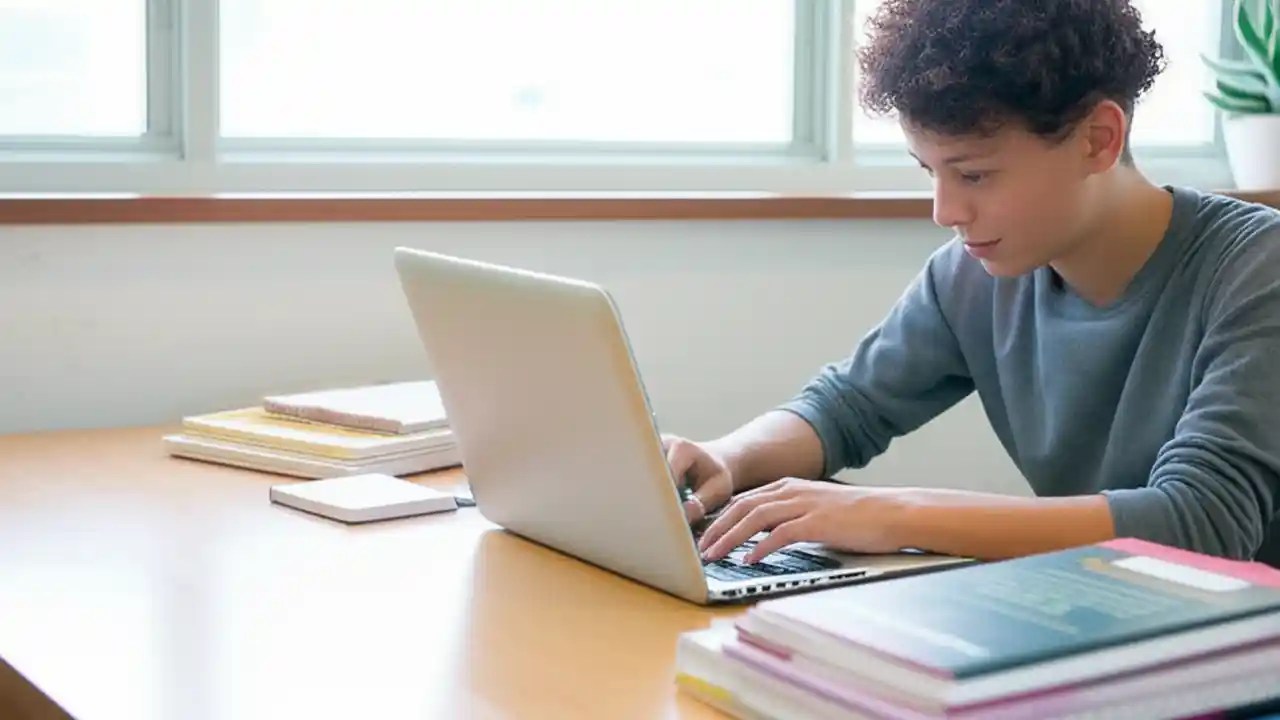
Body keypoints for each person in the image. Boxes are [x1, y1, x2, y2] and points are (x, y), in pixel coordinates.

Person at [667, 0, 1280, 567]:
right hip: (1113, 619)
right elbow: (847, 407)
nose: (945, 210)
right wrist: (729, 456)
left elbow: (1201, 523)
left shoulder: (1257, 269)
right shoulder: (973, 274)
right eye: (929, 171)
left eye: (975, 175)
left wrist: (893, 514)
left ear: (1098, 140)